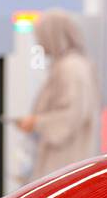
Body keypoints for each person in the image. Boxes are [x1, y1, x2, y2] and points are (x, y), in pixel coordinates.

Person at [15, 10, 100, 180]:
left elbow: (71, 117)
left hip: (65, 158)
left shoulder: (72, 68)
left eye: (42, 36)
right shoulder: (65, 66)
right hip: (58, 157)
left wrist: (37, 123)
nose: (40, 42)